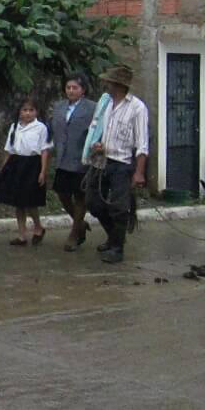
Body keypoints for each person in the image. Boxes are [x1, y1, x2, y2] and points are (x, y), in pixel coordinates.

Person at [85, 64, 149, 264]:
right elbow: (100, 129)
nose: (106, 85)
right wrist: (96, 144)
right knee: (93, 202)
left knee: (119, 207)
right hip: (102, 159)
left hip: (122, 163)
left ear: (117, 85)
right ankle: (113, 236)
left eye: (109, 82)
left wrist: (139, 172)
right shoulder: (105, 103)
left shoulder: (137, 108)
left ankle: (117, 248)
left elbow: (142, 143)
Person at [0, 97, 52, 245]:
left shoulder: (41, 128)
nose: (28, 113)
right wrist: (3, 167)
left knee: (30, 201)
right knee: (18, 202)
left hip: (32, 165)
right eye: (25, 110)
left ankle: (38, 227)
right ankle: (22, 235)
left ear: (37, 112)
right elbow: (10, 149)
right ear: (19, 112)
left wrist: (43, 171)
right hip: (16, 164)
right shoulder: (15, 127)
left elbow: (44, 151)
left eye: (31, 110)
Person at [49, 74, 97, 251]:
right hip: (63, 158)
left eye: (75, 87)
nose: (71, 91)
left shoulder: (92, 108)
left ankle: (74, 233)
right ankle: (81, 224)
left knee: (80, 196)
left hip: (81, 158)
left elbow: (97, 130)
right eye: (68, 87)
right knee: (62, 192)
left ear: (82, 90)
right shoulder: (59, 107)